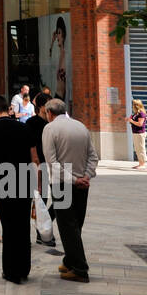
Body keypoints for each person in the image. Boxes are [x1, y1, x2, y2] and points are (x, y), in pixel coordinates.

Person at [0, 95, 35, 284]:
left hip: (3, 182)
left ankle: (11, 271)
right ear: (8, 109)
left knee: (9, 226)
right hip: (24, 179)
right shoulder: (24, 127)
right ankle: (24, 268)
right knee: (23, 225)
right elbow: (34, 158)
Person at [43, 99, 98, 284]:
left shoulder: (50, 129)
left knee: (67, 225)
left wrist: (75, 179)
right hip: (82, 185)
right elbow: (93, 156)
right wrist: (86, 176)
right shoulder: (81, 126)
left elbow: (52, 161)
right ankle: (69, 261)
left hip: (62, 184)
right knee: (76, 224)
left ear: (49, 113)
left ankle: (80, 268)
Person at [27, 91, 57, 249]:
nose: (51, 108)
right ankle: (42, 234)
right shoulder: (31, 123)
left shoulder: (53, 123)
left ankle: (44, 228)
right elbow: (31, 149)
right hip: (40, 167)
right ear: (40, 106)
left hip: (55, 166)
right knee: (42, 200)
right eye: (48, 104)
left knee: (59, 201)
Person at [49, 17, 68, 100]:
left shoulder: (65, 54)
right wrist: (52, 42)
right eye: (56, 33)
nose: (57, 36)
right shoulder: (59, 54)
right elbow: (49, 56)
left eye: (59, 33)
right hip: (58, 95)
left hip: (62, 97)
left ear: (63, 35)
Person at [128, 98, 147, 169]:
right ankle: (140, 163)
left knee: (141, 148)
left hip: (140, 133)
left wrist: (131, 121)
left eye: (134, 104)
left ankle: (142, 164)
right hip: (135, 133)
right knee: (137, 148)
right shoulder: (136, 114)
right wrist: (130, 120)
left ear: (137, 105)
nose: (133, 106)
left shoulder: (142, 114)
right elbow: (133, 121)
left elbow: (140, 124)